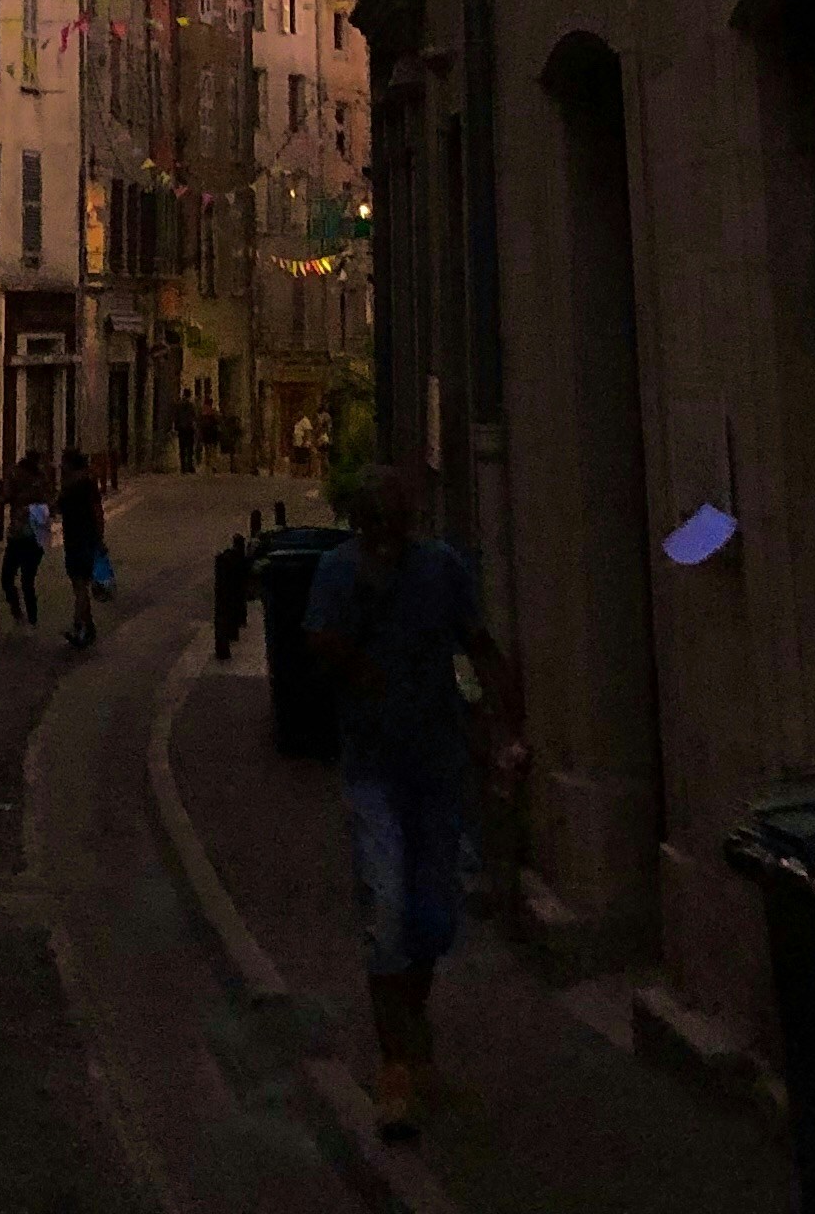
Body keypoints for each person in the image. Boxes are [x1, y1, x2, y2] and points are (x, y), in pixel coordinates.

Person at [304, 464, 521, 1145]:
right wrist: (350, 663)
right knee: (388, 909)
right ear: (360, 526)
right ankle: (395, 1067)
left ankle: (412, 1027)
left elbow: (480, 646)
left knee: (430, 917)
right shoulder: (340, 575)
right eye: (374, 528)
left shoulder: (442, 571)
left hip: (438, 765)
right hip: (373, 769)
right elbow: (317, 645)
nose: (385, 540)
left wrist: (505, 728)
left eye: (394, 526)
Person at [55, 447, 107, 648]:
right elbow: (97, 511)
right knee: (81, 584)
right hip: (82, 537)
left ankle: (80, 626)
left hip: (79, 538)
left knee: (79, 584)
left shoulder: (76, 484)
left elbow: (95, 510)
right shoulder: (84, 482)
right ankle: (88, 625)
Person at [0, 452, 48, 626]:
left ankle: (20, 614)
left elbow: (5, 497)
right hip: (34, 534)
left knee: (9, 577)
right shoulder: (41, 479)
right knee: (27, 579)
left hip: (21, 534)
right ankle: (30, 617)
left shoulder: (17, 476)